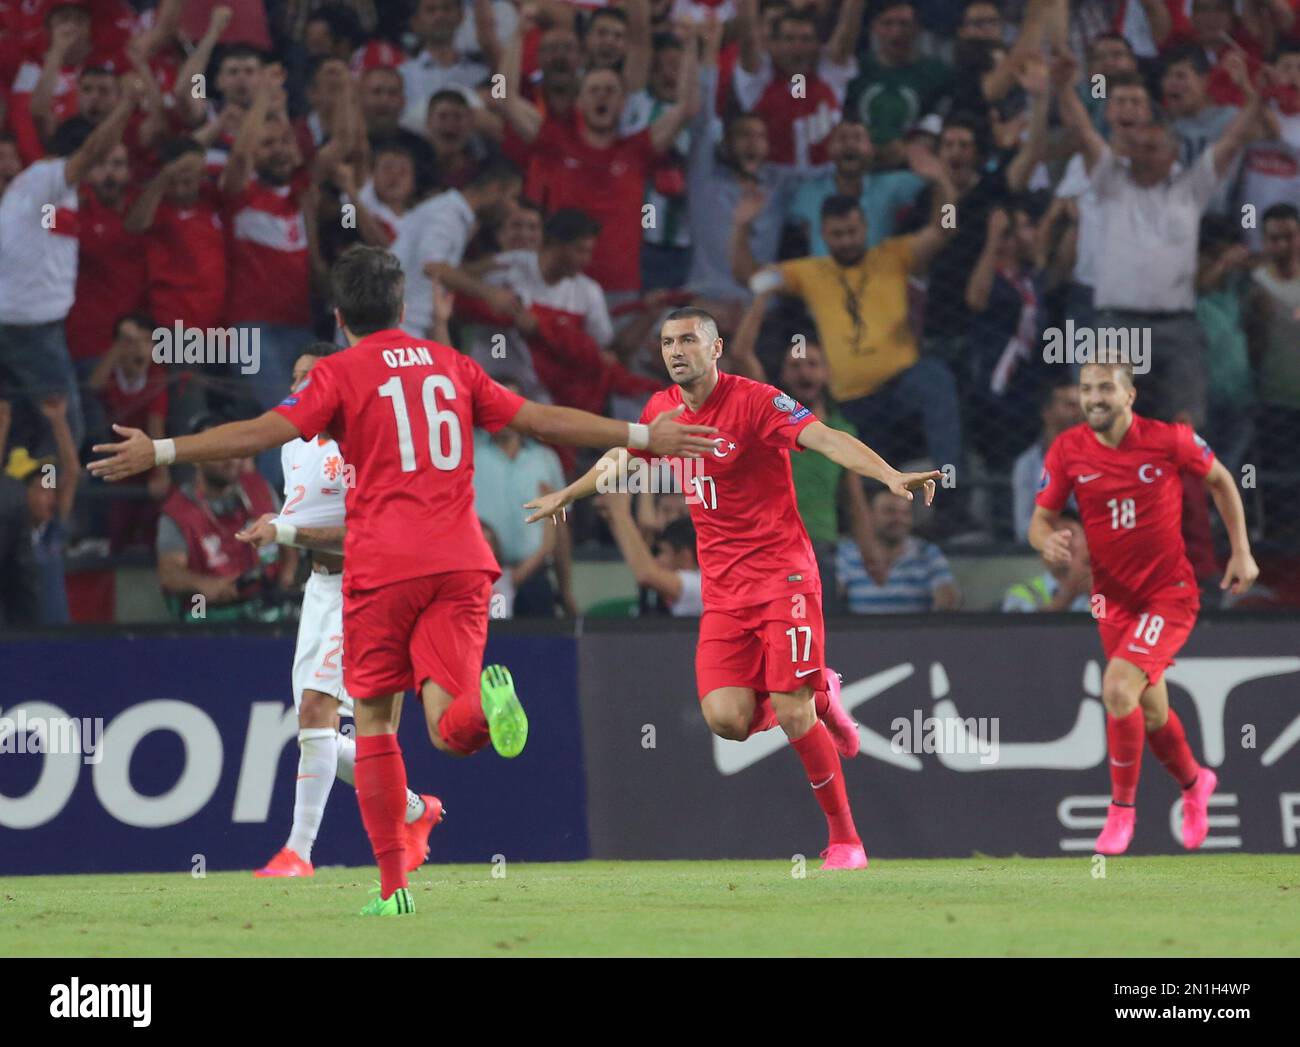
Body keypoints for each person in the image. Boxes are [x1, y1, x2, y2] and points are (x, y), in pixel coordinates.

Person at [91, 245, 722, 916]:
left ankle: (394, 889)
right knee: (451, 728)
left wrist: (159, 449)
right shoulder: (452, 364)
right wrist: (642, 433)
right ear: (401, 308)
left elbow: (258, 431)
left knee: (373, 727)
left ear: (340, 316)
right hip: (461, 560)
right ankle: (482, 701)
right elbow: (538, 416)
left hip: (382, 567)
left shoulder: (338, 372)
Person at [524, 307, 942, 871]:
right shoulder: (660, 409)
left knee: (791, 713)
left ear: (716, 349)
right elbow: (625, 454)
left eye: (689, 340)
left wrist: (888, 474)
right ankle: (822, 691)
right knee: (727, 719)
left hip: (783, 575)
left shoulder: (757, 401)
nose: (676, 350)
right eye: (668, 341)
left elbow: (825, 438)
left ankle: (846, 840)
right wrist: (568, 494)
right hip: (723, 591)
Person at [1028, 361, 1259, 855]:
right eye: (1087, 389)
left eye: (1106, 388)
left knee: (1116, 687)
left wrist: (1240, 550)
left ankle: (1121, 811)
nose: (1095, 398)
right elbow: (1040, 520)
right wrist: (1046, 542)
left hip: (1168, 594)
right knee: (1150, 712)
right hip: (1112, 601)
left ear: (1129, 396)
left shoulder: (1170, 440)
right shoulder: (1068, 448)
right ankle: (1196, 784)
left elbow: (1220, 480)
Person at [235, 347, 442, 879]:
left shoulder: (365, 447)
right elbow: (303, 523)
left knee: (315, 713)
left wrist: (283, 532)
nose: (300, 388)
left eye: (312, 379)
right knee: (317, 728)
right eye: (295, 377)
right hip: (321, 589)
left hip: (368, 587)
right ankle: (416, 811)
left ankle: (299, 854)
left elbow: (370, 534)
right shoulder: (291, 449)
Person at [3, 395, 79, 625]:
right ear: (17, 493)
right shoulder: (7, 536)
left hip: (59, 641)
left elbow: (72, 472)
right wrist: (2, 424)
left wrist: (58, 421)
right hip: (22, 643)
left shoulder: (51, 529)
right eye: (42, 490)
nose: (52, 497)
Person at [836, 489, 959, 615]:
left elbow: (948, 602)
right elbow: (829, 597)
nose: (899, 519)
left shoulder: (927, 553)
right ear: (870, 515)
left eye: (905, 513)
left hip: (915, 633)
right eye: (890, 512)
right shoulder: (848, 553)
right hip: (859, 632)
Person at [597, 490, 703, 617]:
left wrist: (619, 512)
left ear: (685, 555)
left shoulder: (697, 584)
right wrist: (613, 517)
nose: (658, 559)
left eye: (664, 552)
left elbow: (646, 574)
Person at [1002, 516, 1091, 612]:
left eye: (1070, 533)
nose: (1062, 541)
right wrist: (1067, 595)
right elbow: (1019, 626)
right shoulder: (1020, 594)